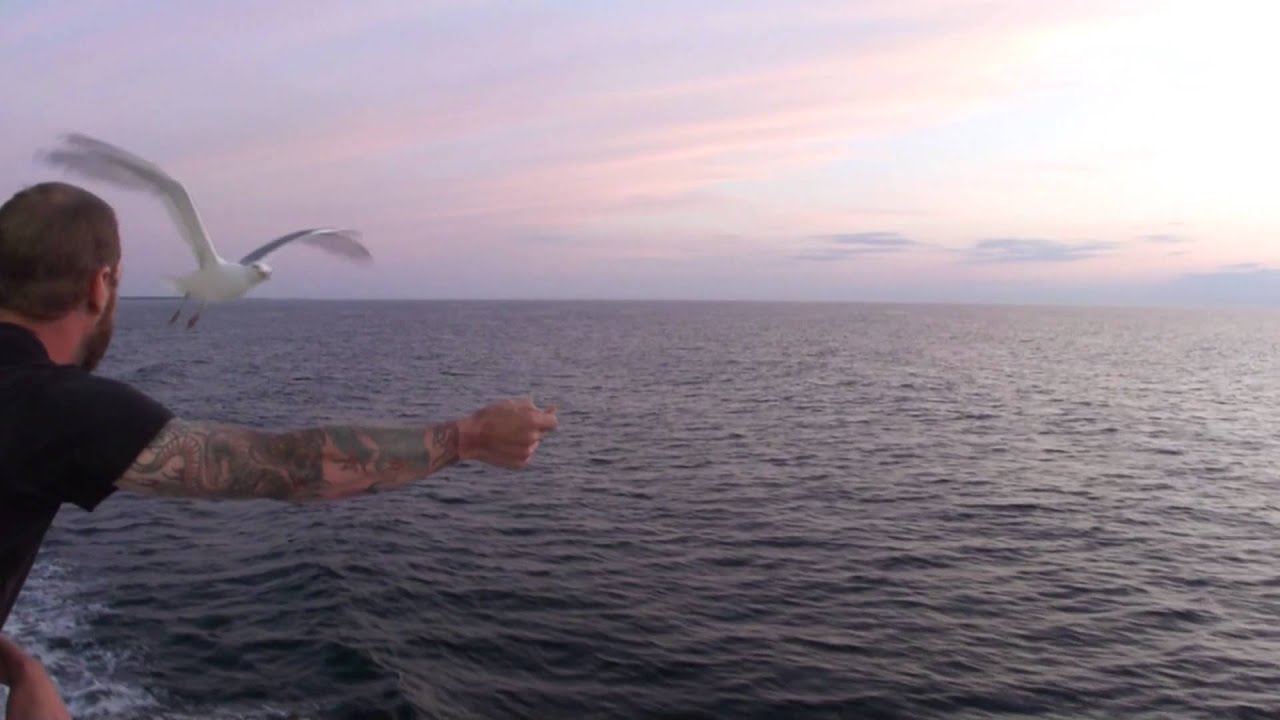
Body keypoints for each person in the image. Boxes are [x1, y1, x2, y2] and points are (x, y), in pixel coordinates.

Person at [0, 181, 559, 717]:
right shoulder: (57, 409)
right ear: (100, 285)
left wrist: (20, 667)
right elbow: (289, 467)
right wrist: (469, 436)